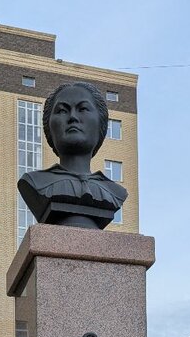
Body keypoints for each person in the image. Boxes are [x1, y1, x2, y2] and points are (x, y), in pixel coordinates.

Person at [17, 81, 127, 230]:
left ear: (101, 123)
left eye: (83, 109)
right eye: (62, 110)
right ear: (48, 126)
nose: (73, 117)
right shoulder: (35, 183)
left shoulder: (115, 192)